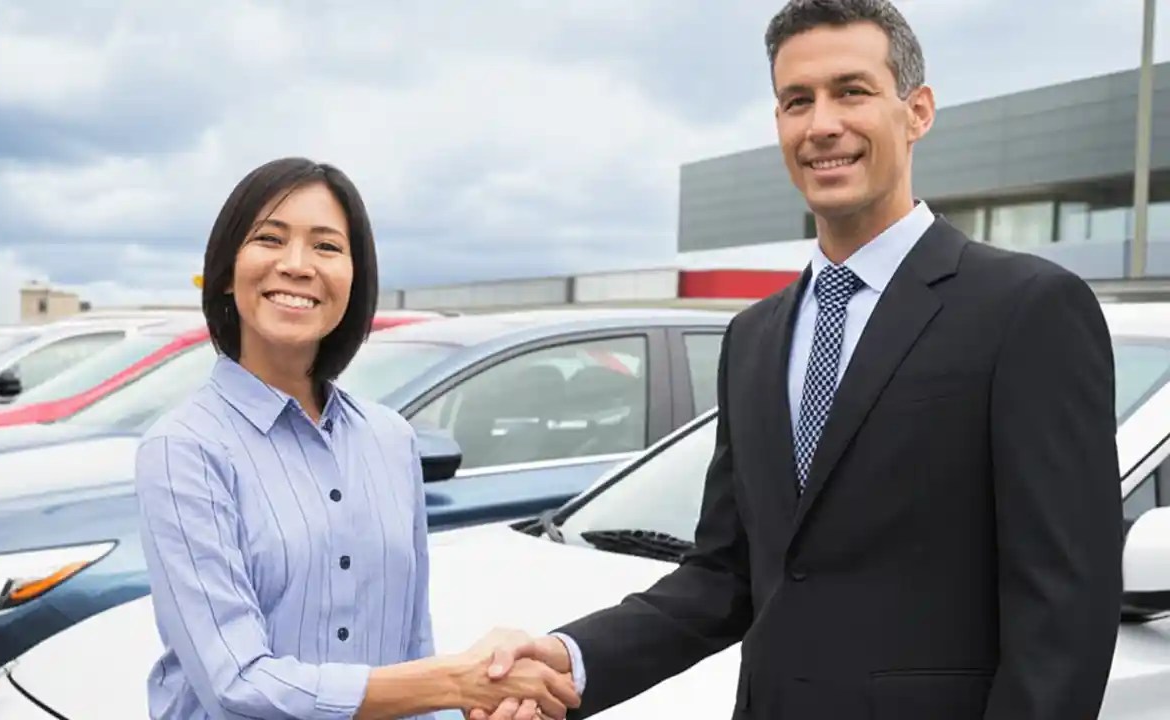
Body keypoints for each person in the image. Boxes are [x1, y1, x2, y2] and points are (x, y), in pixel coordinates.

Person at [472, 1, 1124, 719]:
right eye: (796, 101)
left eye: (852, 91)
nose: (822, 125)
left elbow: (1064, 611)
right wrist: (569, 660)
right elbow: (726, 576)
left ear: (917, 111)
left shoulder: (1027, 310)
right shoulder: (754, 336)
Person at [133, 157, 580, 720]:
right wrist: (456, 684)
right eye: (270, 238)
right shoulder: (183, 449)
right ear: (227, 269)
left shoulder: (391, 441)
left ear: (354, 278)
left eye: (326, 246)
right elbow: (238, 683)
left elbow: (411, 647)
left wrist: (479, 701)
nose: (297, 266)